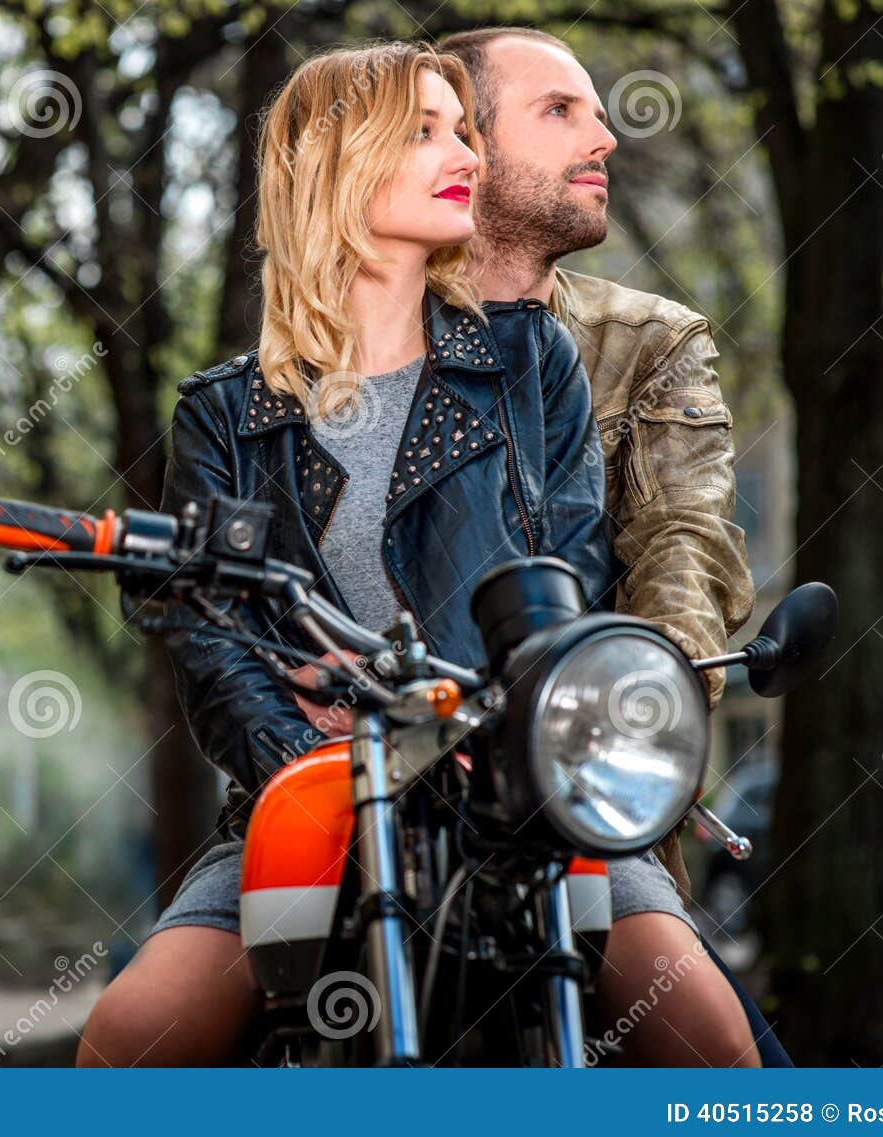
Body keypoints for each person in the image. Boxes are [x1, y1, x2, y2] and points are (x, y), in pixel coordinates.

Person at [78, 42, 757, 1067]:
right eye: (425, 132)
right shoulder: (223, 411)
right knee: (129, 1037)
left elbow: (563, 586)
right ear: (333, 165)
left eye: (465, 130)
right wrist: (298, 754)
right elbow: (205, 636)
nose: (465, 158)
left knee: (707, 1033)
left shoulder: (535, 365)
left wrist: (515, 726)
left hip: (515, 792)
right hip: (306, 792)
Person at [437, 27, 783, 1063]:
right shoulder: (354, 336)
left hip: (568, 790)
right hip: (363, 783)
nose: (606, 138)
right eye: (559, 112)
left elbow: (686, 543)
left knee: (731, 1066)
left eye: (596, 108)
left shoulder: (649, 340)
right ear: (464, 145)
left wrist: (646, 702)